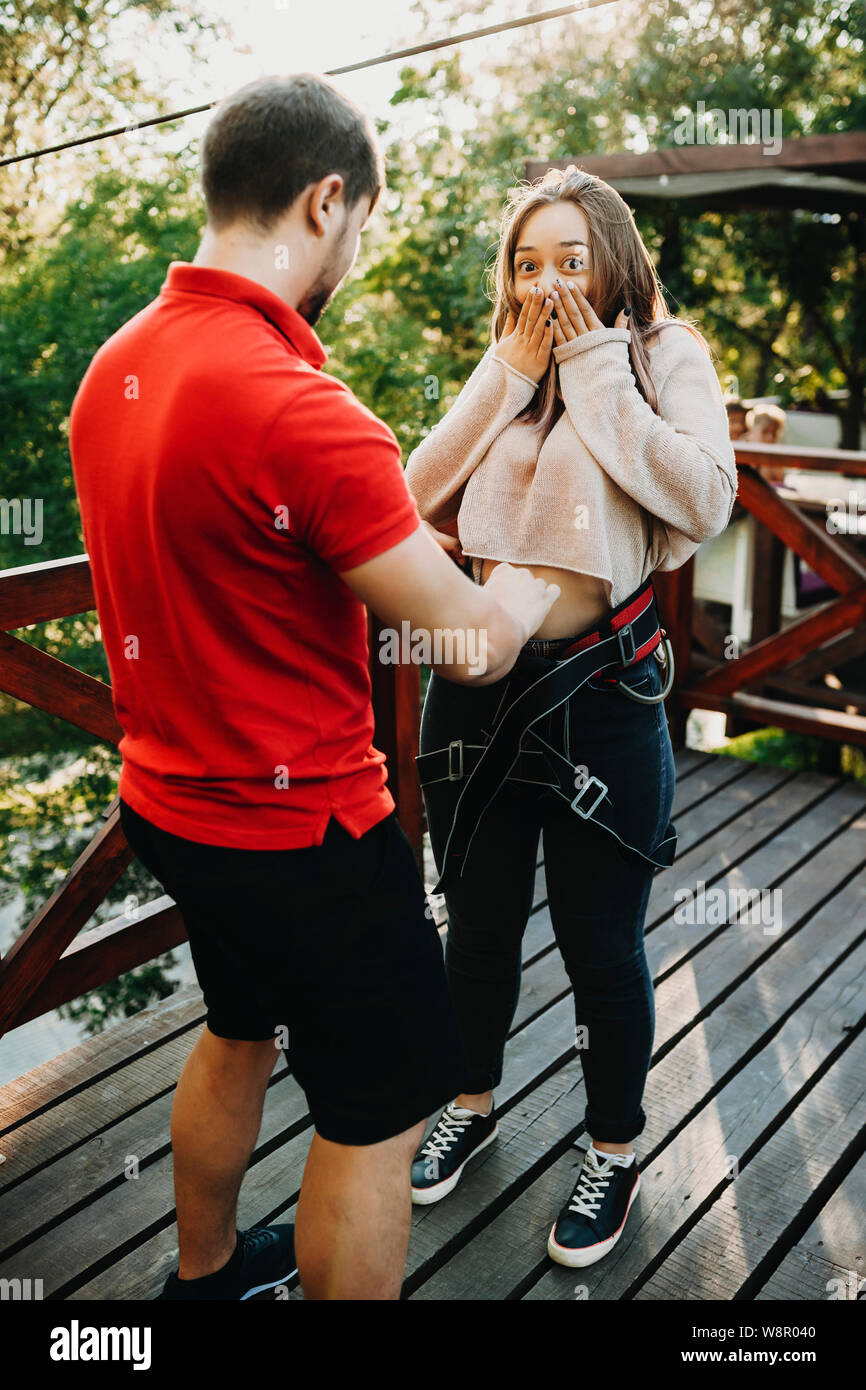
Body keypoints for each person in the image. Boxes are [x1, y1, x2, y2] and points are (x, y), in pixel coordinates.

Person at [68, 72, 560, 1301]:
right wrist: (536, 579)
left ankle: (206, 1273)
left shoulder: (113, 372)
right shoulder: (300, 406)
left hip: (170, 809)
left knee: (235, 1026)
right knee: (380, 1116)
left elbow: (264, 551)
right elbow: (472, 647)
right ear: (326, 198)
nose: (360, 245)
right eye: (366, 221)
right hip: (311, 841)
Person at [403, 165, 737, 1269]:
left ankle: (612, 1147)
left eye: (568, 258)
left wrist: (595, 370)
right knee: (477, 925)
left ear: (611, 257)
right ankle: (468, 1096)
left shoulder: (661, 350)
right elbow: (412, 494)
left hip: (601, 693)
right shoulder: (506, 358)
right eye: (525, 261)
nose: (545, 281)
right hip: (475, 691)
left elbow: (699, 495)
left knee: (601, 945)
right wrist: (510, 371)